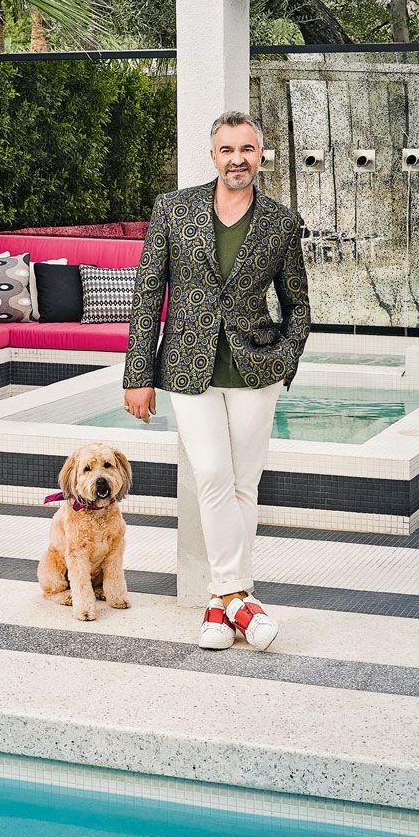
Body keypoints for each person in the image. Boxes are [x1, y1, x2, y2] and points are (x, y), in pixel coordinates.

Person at [123, 111, 310, 650]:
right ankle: (237, 596)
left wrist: (283, 361)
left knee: (244, 485)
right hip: (187, 367)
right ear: (213, 155)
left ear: (260, 155)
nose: (238, 160)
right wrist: (139, 375)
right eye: (227, 150)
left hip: (256, 372)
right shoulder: (174, 209)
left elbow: (298, 305)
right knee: (211, 474)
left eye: (247, 150)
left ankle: (220, 603)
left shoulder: (280, 221)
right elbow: (147, 295)